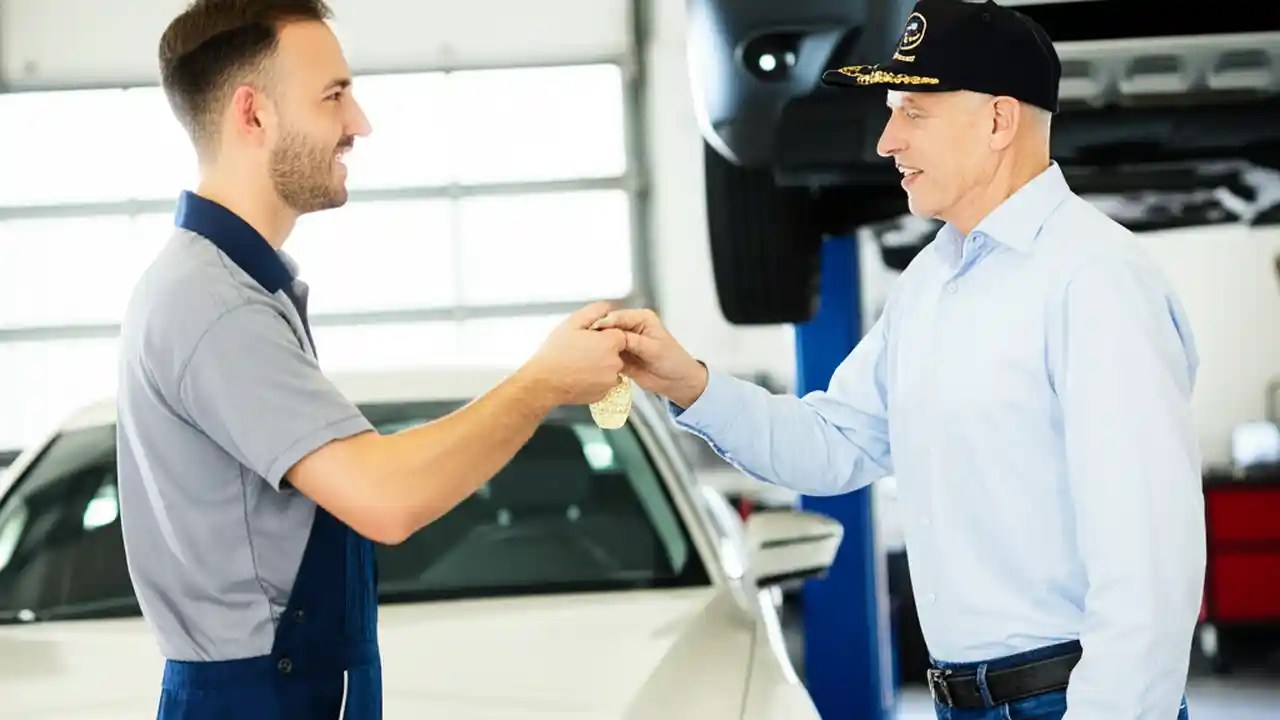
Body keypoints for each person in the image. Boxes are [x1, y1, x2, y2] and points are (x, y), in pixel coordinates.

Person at [597, 1, 1204, 718]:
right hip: (962, 701)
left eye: (913, 110)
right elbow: (833, 443)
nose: (887, 140)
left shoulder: (1093, 281)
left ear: (999, 121)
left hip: (1065, 699)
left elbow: (1149, 564)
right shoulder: (932, 282)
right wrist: (687, 382)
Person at [115, 1, 626, 718]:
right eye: (334, 95)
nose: (360, 123)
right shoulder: (214, 304)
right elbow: (386, 498)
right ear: (252, 115)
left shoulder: (226, 287)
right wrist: (545, 383)